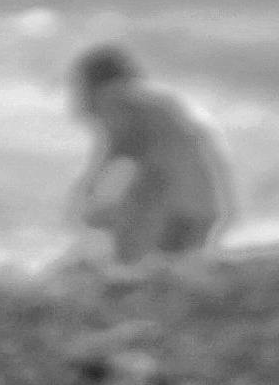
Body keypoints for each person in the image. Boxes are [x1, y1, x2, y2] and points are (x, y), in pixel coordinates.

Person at [69, 44, 235, 262]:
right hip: (209, 205)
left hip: (178, 206)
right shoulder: (155, 100)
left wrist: (87, 195)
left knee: (129, 218)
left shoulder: (118, 98)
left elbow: (126, 148)